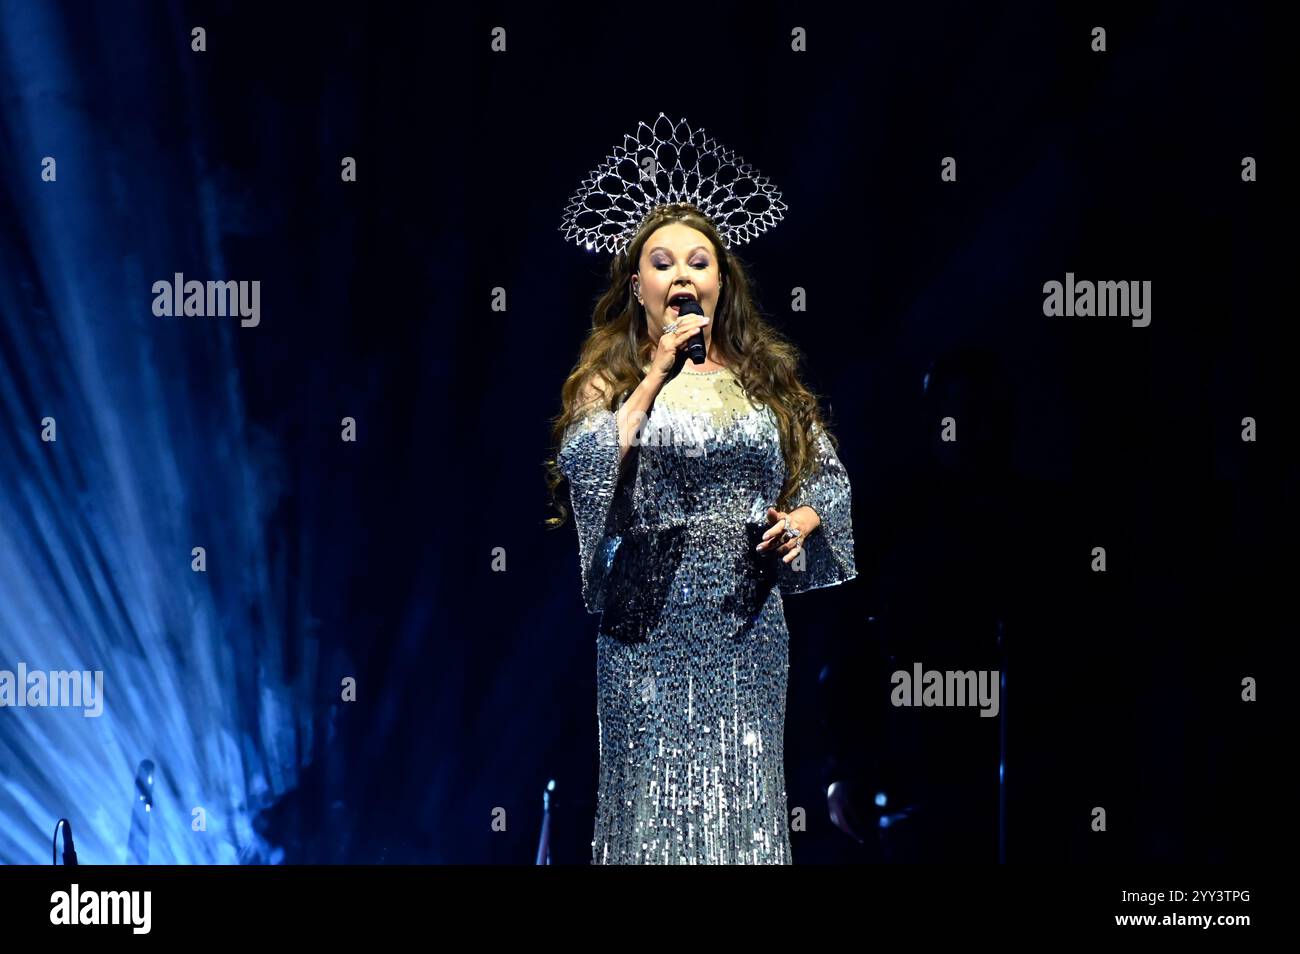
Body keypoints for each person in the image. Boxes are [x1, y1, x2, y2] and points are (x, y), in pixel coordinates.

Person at [547, 118, 857, 863]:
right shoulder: (614, 381)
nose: (682, 275)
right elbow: (589, 466)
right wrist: (655, 371)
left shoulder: (766, 380)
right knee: (653, 812)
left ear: (722, 281)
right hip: (647, 623)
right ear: (638, 287)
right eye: (662, 262)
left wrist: (807, 517)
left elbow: (830, 478)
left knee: (741, 802)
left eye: (698, 261)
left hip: (748, 624)